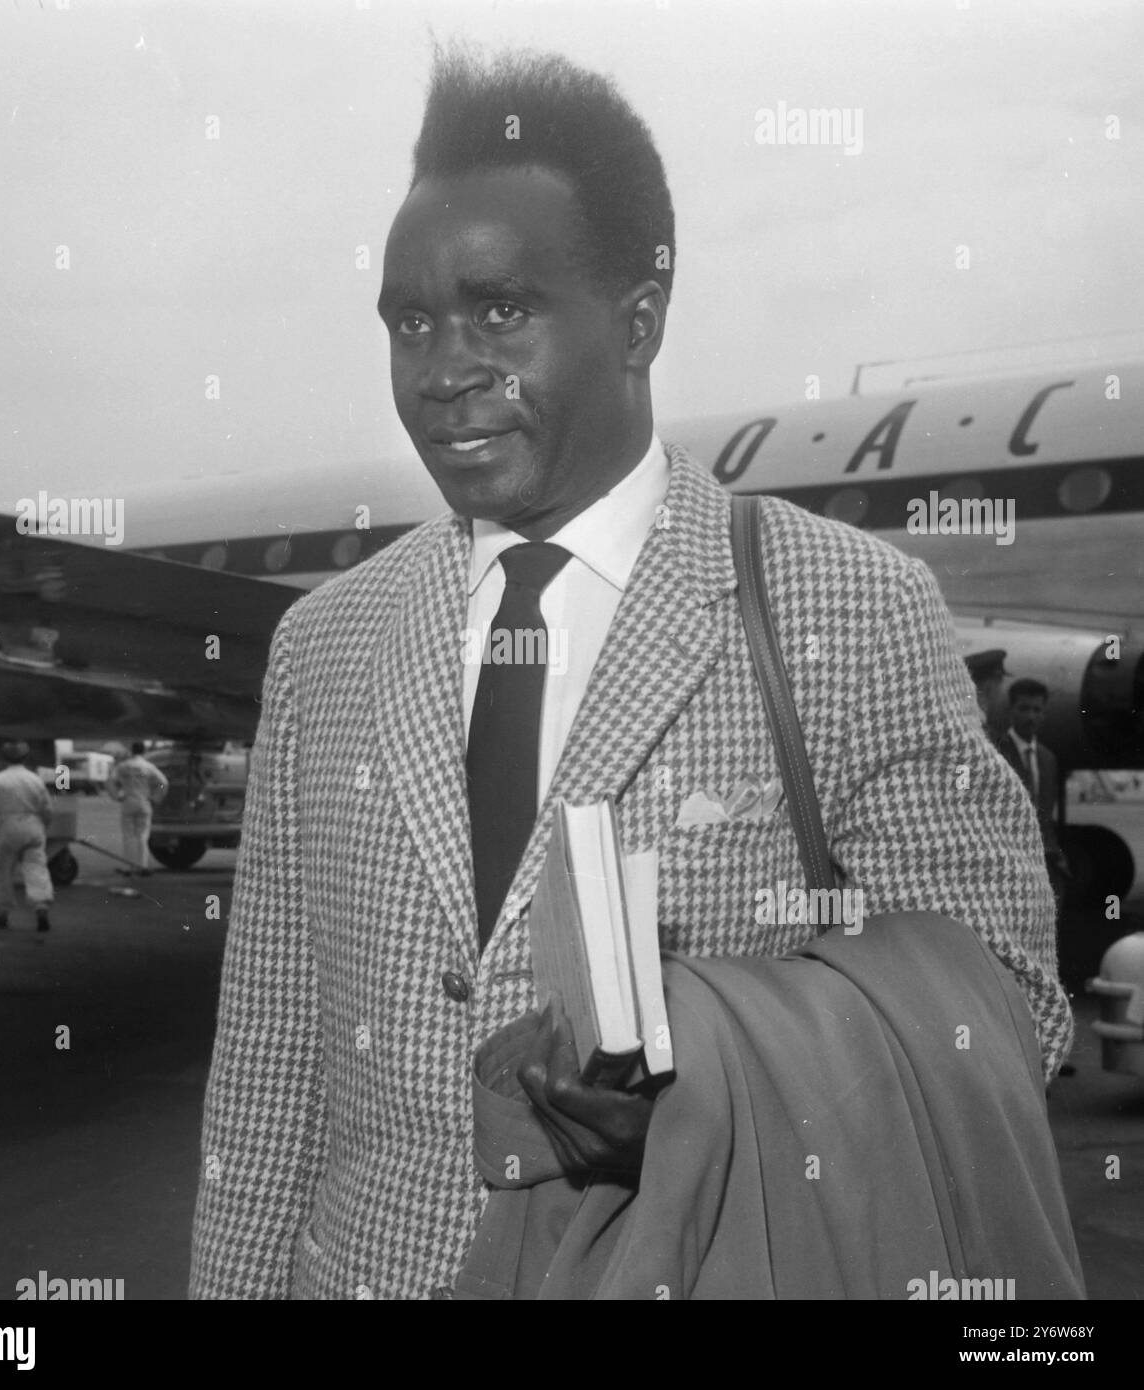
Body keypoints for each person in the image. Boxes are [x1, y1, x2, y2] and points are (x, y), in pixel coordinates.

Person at [190, 46, 1072, 1300]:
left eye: (500, 310)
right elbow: (269, 1062)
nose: (442, 369)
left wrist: (703, 1088)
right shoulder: (325, 644)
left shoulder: (850, 610)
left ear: (641, 319)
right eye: (409, 320)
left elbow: (1010, 1013)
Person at [998, 678, 1070, 911]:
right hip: (1008, 865)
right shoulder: (996, 752)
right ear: (1011, 711)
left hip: (1043, 865)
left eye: (1037, 710)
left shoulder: (1048, 759)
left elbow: (1046, 816)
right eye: (1024, 709)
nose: (1031, 717)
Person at [0, 741, 54, 932]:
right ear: (26, 758)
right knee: (36, 867)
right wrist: (43, 825)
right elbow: (47, 808)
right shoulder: (36, 780)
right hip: (34, 825)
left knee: (1, 870)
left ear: (4, 758)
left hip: (7, 826)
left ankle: (2, 914)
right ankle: (41, 907)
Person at [107, 741, 169, 875]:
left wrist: (116, 796)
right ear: (144, 751)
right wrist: (156, 797)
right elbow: (163, 783)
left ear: (131, 751)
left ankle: (129, 866)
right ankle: (142, 866)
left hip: (128, 802)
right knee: (142, 836)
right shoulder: (148, 767)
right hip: (144, 802)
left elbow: (111, 781)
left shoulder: (123, 766)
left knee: (129, 835)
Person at [964, 647, 1009, 731]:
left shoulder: (973, 712)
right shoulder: (978, 720)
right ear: (990, 684)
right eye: (1000, 681)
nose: (1003, 688)